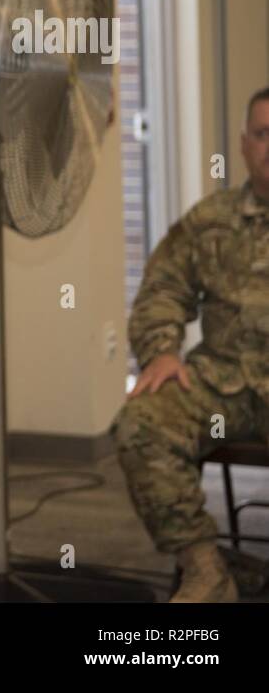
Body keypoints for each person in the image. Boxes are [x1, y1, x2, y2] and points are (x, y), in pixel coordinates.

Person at [113, 86, 269, 603]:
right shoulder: (211, 221)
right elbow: (163, 288)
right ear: (244, 144)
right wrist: (161, 350)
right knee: (141, 422)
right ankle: (207, 569)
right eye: (263, 134)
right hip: (224, 381)